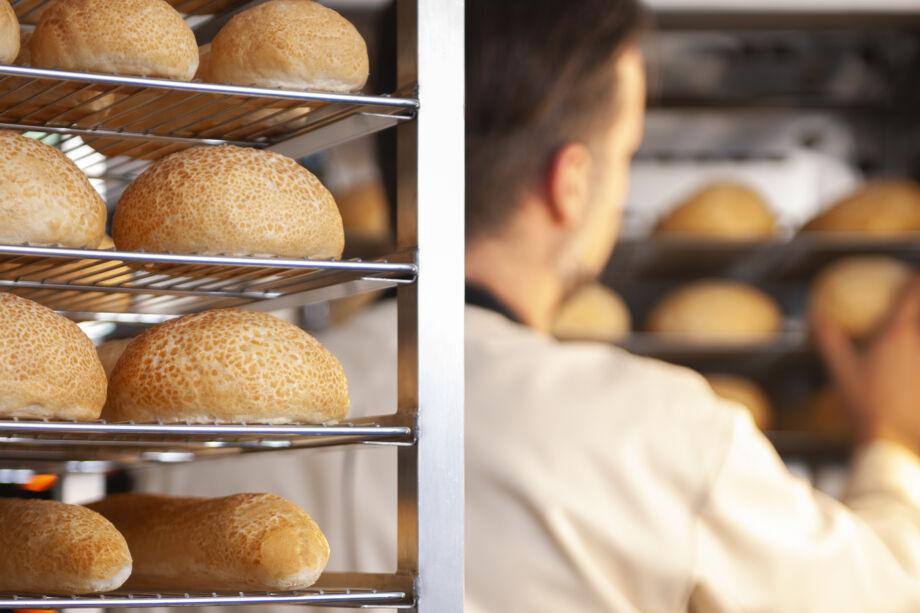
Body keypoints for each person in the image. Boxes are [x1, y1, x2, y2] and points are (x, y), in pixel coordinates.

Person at [141, 0, 920, 610]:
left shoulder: (214, 417)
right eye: (626, 154)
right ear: (570, 181)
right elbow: (884, 594)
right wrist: (887, 436)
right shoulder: (666, 435)